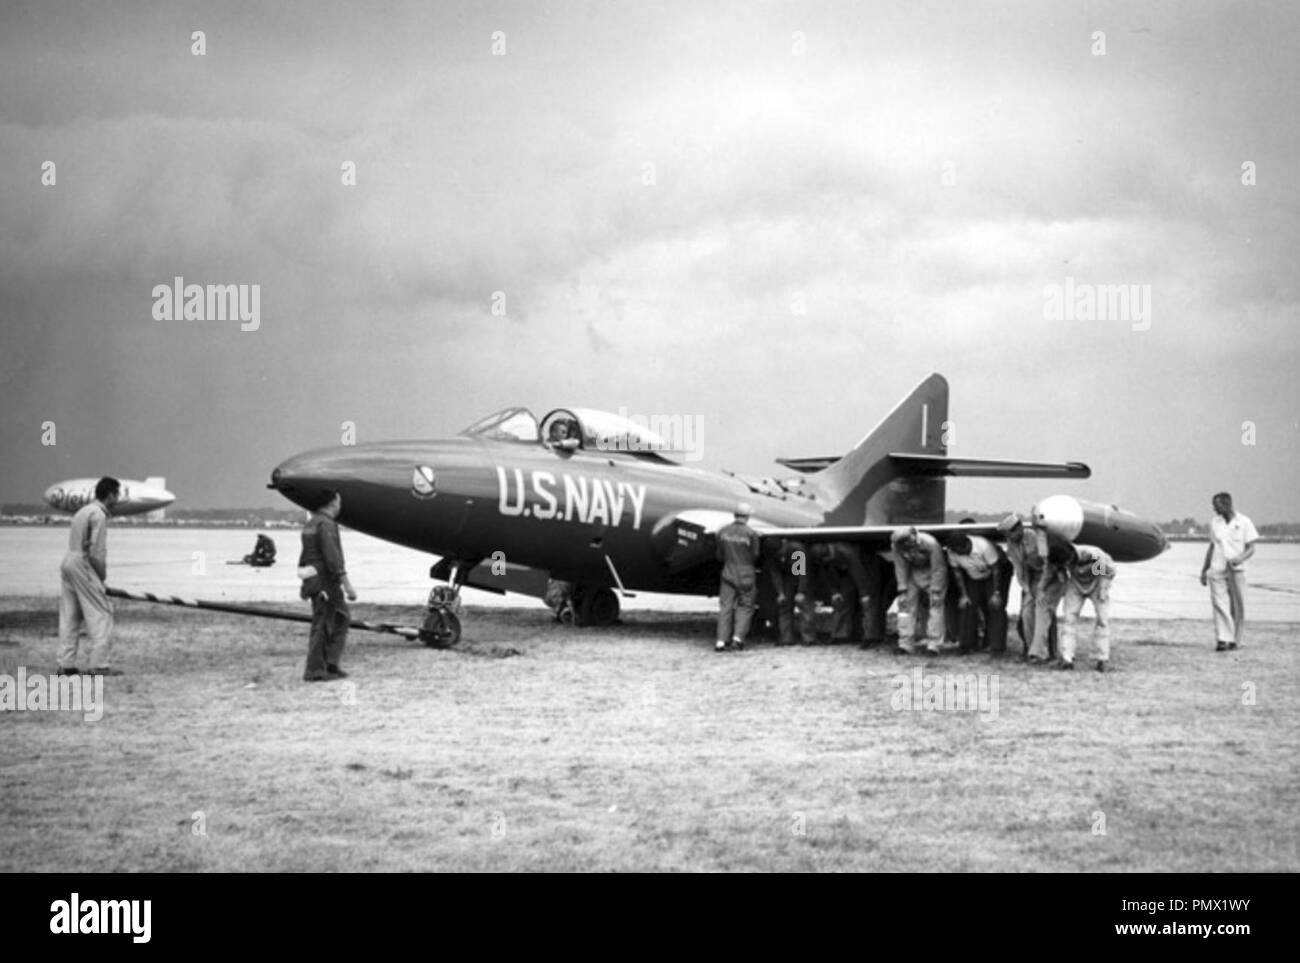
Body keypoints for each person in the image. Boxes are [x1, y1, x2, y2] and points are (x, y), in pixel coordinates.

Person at [57, 476, 121, 676]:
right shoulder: (99, 515)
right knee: (100, 612)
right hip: (83, 563)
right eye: (117, 495)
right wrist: (101, 577)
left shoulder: (82, 511)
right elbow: (96, 552)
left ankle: (65, 664)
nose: (117, 499)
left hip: (68, 560)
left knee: (70, 615)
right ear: (110, 495)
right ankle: (99, 665)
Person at [298, 489, 358, 681]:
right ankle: (315, 670)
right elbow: (332, 558)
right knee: (324, 623)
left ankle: (330, 664)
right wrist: (347, 585)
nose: (340, 506)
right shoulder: (326, 525)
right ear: (332, 504)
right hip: (326, 582)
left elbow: (305, 556)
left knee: (340, 618)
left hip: (315, 580)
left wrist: (305, 584)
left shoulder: (310, 524)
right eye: (338, 502)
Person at [1199, 492, 1259, 651]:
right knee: (1219, 604)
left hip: (1236, 569)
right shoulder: (1215, 522)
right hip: (1217, 567)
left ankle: (1234, 640)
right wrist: (1204, 569)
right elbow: (1212, 546)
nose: (1214, 508)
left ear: (1226, 505)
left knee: (1238, 605)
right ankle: (1222, 639)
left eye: (1216, 505)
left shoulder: (1244, 522)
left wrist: (1240, 558)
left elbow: (1251, 548)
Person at [997, 514, 1059, 662]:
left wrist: (1042, 589)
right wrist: (1027, 589)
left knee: (1044, 614)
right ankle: (1033, 651)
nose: (1011, 535)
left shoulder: (1037, 537)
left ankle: (1050, 652)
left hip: (1049, 576)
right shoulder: (1011, 545)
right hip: (1030, 580)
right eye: (1007, 534)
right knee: (1026, 614)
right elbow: (1019, 569)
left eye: (1012, 531)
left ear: (1019, 527)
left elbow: (1047, 563)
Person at [946, 533, 1009, 654]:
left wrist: (996, 593)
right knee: (967, 605)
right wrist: (964, 595)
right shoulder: (952, 552)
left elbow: (996, 568)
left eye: (958, 550)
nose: (957, 553)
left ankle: (997, 647)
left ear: (966, 545)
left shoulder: (983, 546)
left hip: (992, 575)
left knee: (995, 606)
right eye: (954, 551)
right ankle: (966, 645)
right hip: (973, 576)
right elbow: (957, 572)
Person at [890, 527, 948, 655]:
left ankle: (934, 645)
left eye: (907, 541)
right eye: (902, 543)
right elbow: (900, 567)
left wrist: (936, 589)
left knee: (936, 607)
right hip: (912, 574)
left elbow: (939, 567)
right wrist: (902, 589)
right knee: (904, 608)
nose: (905, 545)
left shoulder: (930, 543)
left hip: (932, 574)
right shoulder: (896, 546)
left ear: (913, 535)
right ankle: (905, 644)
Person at [1059, 544, 1117, 671]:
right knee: (1069, 618)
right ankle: (1067, 658)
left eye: (1069, 561)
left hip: (1098, 581)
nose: (1068, 564)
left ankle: (1102, 658)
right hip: (1075, 583)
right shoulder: (1062, 558)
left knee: (1102, 620)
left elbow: (1101, 574)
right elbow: (1062, 575)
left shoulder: (1094, 554)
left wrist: (1102, 591)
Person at [715, 502, 761, 651]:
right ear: (747, 516)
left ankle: (721, 640)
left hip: (727, 571)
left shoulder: (722, 531)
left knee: (725, 607)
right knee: (746, 606)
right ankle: (738, 638)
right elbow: (755, 555)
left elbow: (719, 555)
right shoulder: (752, 534)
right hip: (746, 572)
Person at [768, 538, 815, 645]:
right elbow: (775, 573)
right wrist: (780, 592)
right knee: (784, 605)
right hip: (787, 578)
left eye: (780, 551)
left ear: (784, 543)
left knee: (804, 605)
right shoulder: (771, 552)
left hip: (800, 576)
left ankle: (808, 638)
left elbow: (802, 573)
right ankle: (786, 638)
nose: (779, 554)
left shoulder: (797, 549)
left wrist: (801, 591)